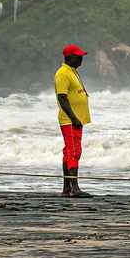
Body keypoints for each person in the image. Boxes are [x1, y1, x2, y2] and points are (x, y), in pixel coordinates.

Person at [55, 44, 92, 198]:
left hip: (76, 120)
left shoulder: (72, 71)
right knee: (74, 152)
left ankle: (67, 189)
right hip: (70, 120)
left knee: (68, 152)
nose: (81, 58)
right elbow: (62, 98)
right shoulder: (62, 74)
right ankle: (75, 189)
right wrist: (74, 118)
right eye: (78, 56)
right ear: (69, 57)